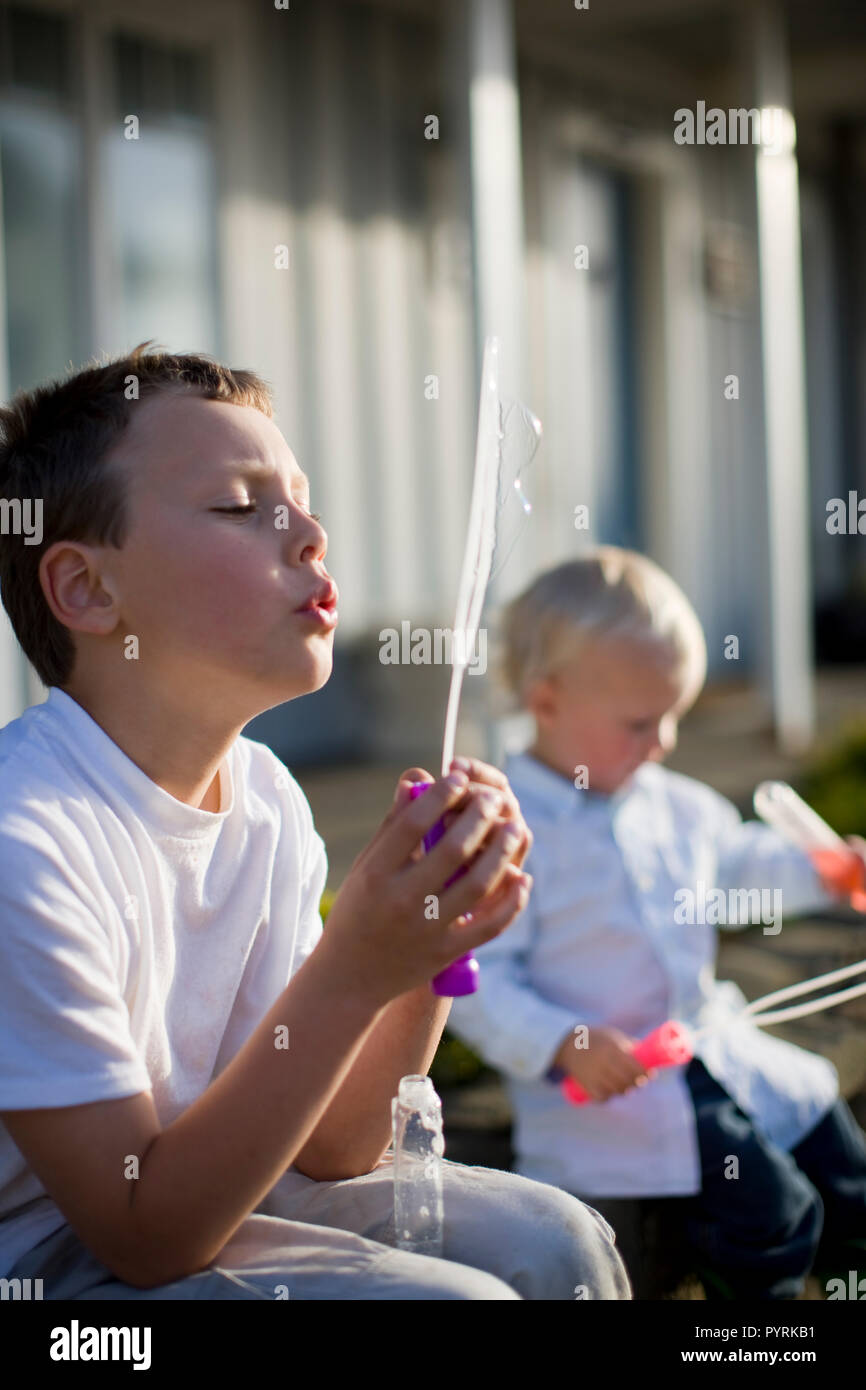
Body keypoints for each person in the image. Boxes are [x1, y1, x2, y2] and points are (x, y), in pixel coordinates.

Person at [0, 344, 630, 1301]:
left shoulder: (265, 798)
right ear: (87, 591)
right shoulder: (27, 841)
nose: (309, 534)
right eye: (239, 507)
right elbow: (142, 1235)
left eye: (300, 501)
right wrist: (351, 967)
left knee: (556, 1242)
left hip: (211, 1191)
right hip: (43, 1261)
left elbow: (340, 1144)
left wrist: (420, 948)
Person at [449, 546, 866, 1300]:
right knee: (772, 1214)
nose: (665, 740)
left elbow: (736, 865)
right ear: (546, 701)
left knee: (838, 1154)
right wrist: (563, 1042)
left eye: (675, 714)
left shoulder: (671, 802)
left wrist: (822, 871)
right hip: (621, 1083)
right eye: (643, 721)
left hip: (712, 1041)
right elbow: (479, 983)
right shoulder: (508, 830)